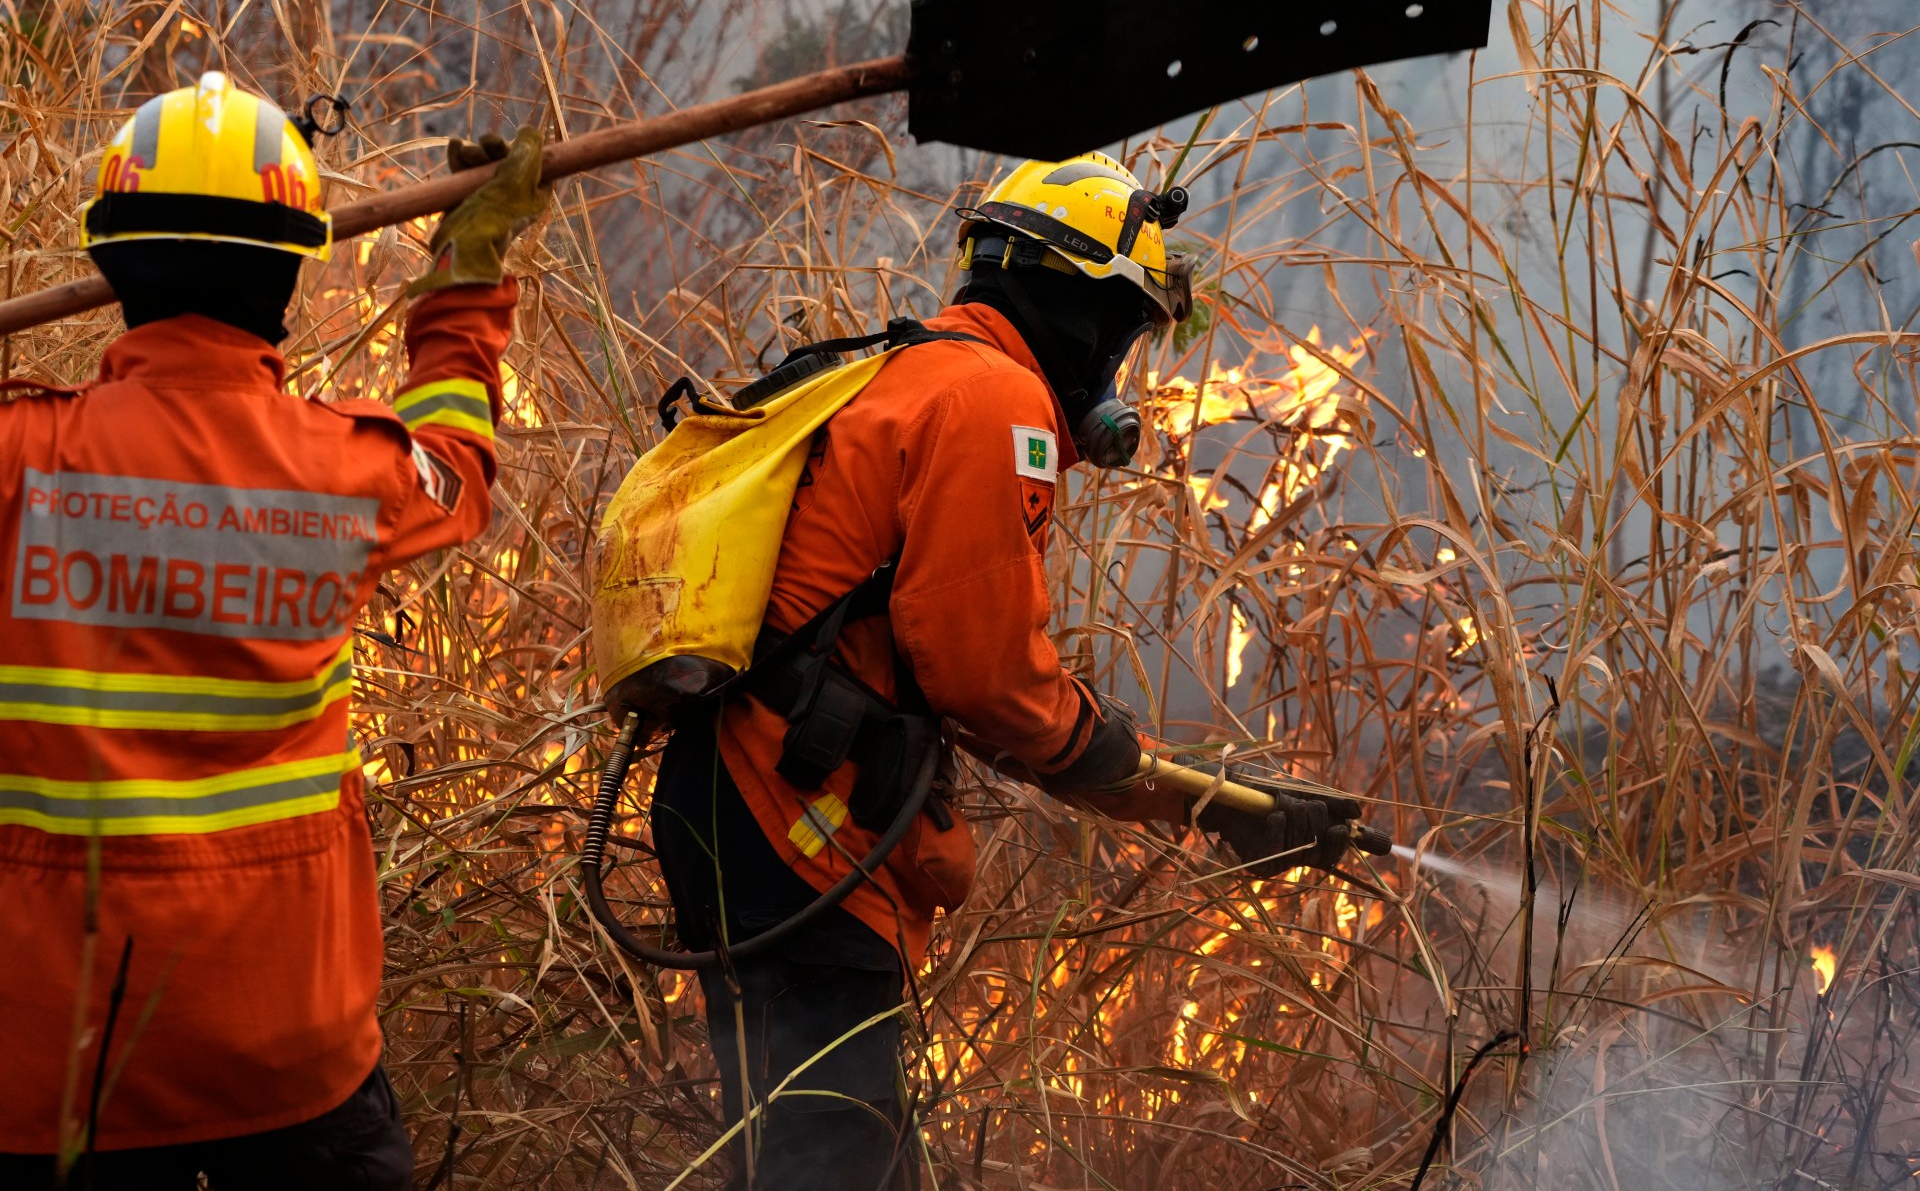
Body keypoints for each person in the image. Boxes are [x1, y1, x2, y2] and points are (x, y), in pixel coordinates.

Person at [643, 151, 1355, 1191]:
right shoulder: (993, 401)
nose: (1117, 372)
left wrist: (1211, 808)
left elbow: (938, 667)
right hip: (794, 822)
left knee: (811, 1150)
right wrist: (1157, 779)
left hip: (743, 799)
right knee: (829, 1160)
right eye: (1126, 332)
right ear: (1080, 309)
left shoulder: (912, 369)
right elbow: (990, 680)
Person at [0, 73, 548, 1189]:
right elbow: (458, 455)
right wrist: (466, 279)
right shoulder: (351, 472)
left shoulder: (17, 460)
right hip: (288, 1051)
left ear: (106, 264)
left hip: (52, 1064)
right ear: (295, 268)